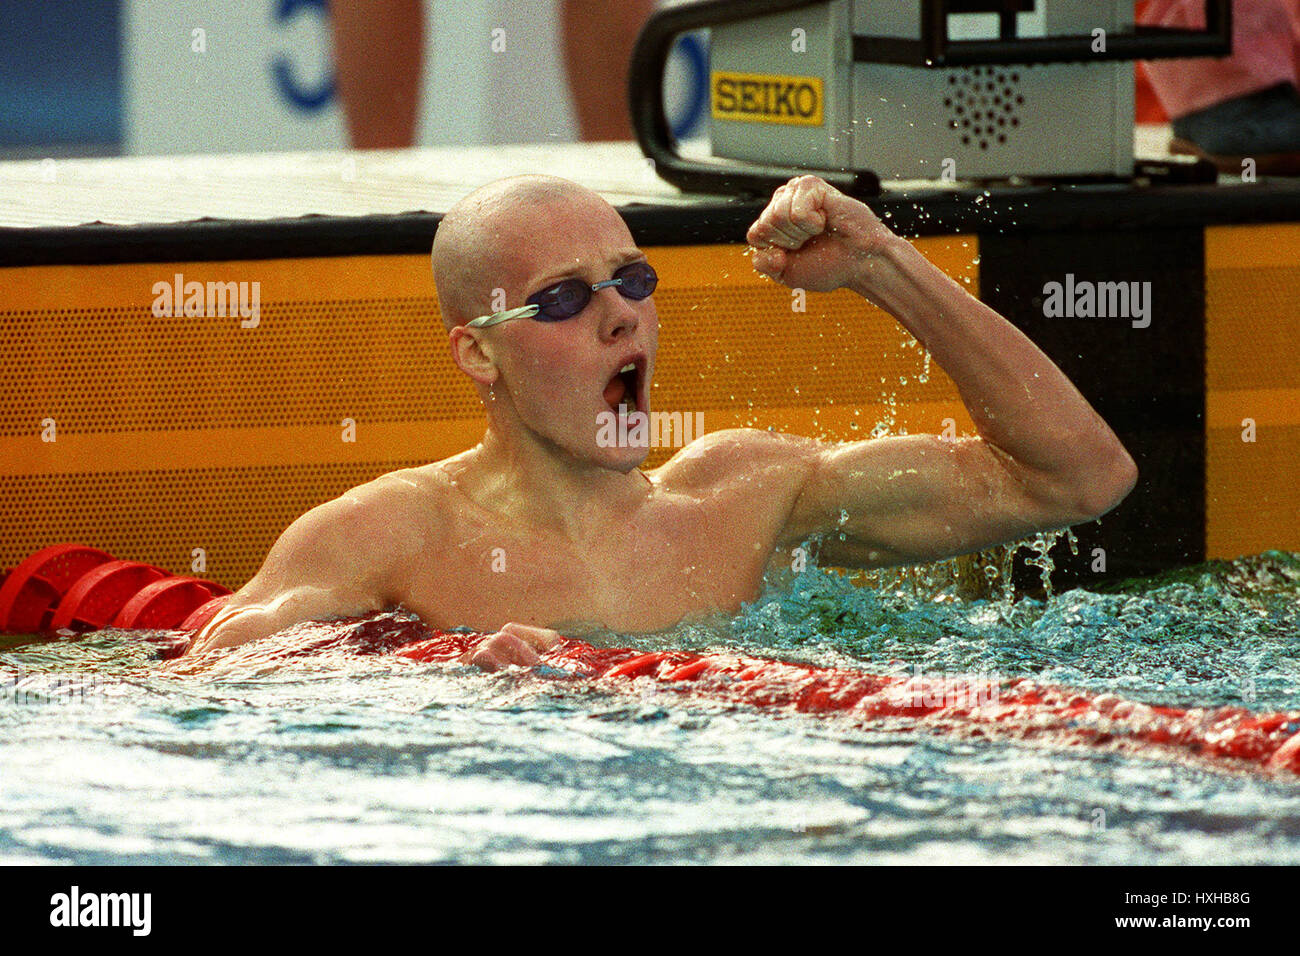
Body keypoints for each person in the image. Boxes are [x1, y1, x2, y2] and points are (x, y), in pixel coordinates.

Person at [185, 174, 1137, 669]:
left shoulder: (746, 498)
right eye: (562, 299)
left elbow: (1077, 481)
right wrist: (431, 684)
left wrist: (884, 266)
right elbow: (204, 696)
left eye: (632, 281)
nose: (620, 315)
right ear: (479, 352)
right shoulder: (390, 534)